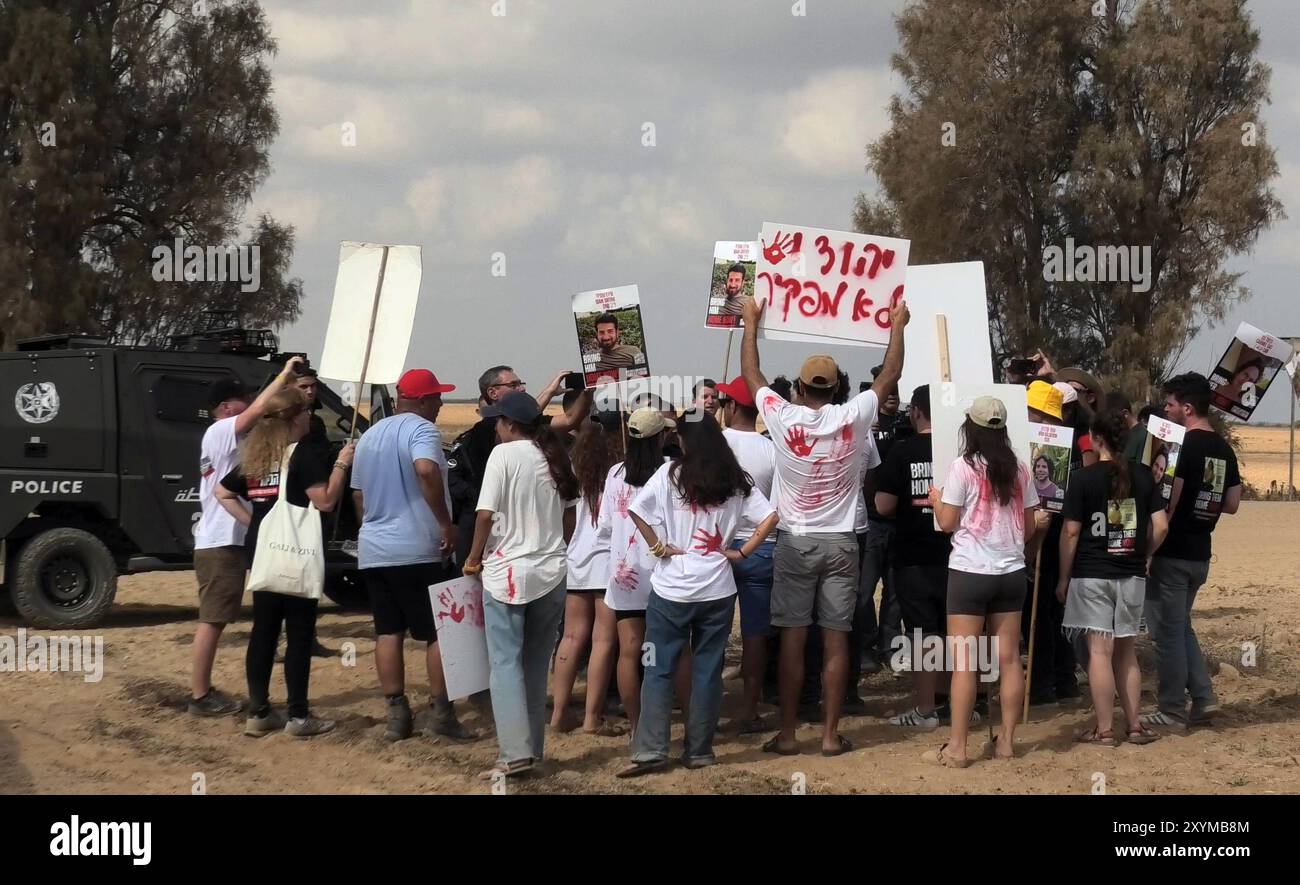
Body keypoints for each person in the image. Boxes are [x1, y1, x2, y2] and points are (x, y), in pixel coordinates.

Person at [740, 293, 908, 757]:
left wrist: (751, 323)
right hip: (842, 542)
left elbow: (751, 376)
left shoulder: (783, 416)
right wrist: (898, 326)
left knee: (794, 638)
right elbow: (890, 375)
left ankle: (790, 733)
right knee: (837, 637)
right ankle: (831, 736)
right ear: (836, 389)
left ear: (798, 386)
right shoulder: (852, 416)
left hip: (795, 541)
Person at [617, 413, 778, 777]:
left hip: (672, 587)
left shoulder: (671, 473)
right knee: (708, 669)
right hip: (718, 587)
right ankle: (700, 750)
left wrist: (658, 547)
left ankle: (652, 751)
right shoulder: (736, 480)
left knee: (657, 667)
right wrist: (741, 552)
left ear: (686, 441)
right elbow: (771, 517)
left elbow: (636, 510)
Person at [215, 389, 354, 737]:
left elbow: (222, 492)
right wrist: (341, 464)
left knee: (263, 631)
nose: (310, 417)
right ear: (294, 418)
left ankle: (259, 711)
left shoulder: (258, 455)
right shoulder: (301, 455)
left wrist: (254, 524)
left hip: (264, 552)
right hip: (296, 553)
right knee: (299, 633)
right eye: (306, 411)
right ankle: (298, 715)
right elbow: (323, 501)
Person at [351, 369, 474, 742]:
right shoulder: (422, 430)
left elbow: (357, 493)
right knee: (437, 633)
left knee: (388, 631)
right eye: (436, 397)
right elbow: (425, 469)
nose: (440, 404)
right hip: (419, 547)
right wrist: (443, 522)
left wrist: (370, 526)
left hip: (376, 548)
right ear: (420, 400)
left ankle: (396, 714)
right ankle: (441, 712)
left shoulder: (370, 434)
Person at [463, 391, 579, 779]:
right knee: (533, 665)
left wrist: (474, 557)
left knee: (505, 664)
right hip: (551, 572)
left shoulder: (504, 455)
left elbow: (484, 515)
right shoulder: (555, 456)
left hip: (507, 572)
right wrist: (556, 547)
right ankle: (532, 751)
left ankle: (513, 753)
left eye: (498, 421)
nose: (495, 427)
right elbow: (570, 516)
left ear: (510, 425)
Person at [925, 396, 1043, 767]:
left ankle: (958, 748)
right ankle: (1006, 742)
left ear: (970, 428)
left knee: (965, 663)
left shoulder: (963, 467)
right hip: (1010, 573)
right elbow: (1028, 527)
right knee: (1009, 660)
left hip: (969, 572)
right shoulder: (1021, 470)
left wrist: (936, 499)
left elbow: (946, 523)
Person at [189, 356, 305, 716]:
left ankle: (202, 691)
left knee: (217, 617)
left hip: (223, 539)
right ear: (224, 407)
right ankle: (200, 696)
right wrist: (284, 376)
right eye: (239, 400)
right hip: (219, 541)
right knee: (213, 619)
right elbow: (257, 411)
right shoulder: (220, 430)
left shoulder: (223, 437)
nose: (247, 404)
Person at [1057, 409, 1168, 746]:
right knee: (1126, 652)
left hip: (1091, 576)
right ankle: (1135, 726)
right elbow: (1161, 525)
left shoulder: (1082, 479)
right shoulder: (1144, 476)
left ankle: (1104, 729)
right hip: (1131, 576)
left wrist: (1063, 578)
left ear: (1097, 439)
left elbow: (1071, 533)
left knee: (1099, 654)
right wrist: (1144, 555)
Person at [1142, 372, 1241, 730]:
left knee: (1166, 634)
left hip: (1171, 553)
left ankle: (1170, 709)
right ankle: (1203, 697)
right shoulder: (1224, 448)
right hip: (1201, 553)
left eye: (1169, 404)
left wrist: (1149, 550)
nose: (1165, 410)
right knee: (1181, 626)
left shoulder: (1182, 446)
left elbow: (1169, 500)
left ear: (1186, 407)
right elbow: (1231, 503)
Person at [448, 365, 591, 566]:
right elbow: (526, 417)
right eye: (513, 385)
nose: (521, 389)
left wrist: (589, 391)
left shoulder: (520, 422)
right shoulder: (487, 427)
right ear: (493, 392)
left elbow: (569, 419)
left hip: (518, 541)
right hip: (483, 533)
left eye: (520, 384)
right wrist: (549, 392)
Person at [875, 385, 955, 727]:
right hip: (955, 555)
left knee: (922, 635)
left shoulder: (902, 451)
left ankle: (925, 709)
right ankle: (956, 701)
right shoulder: (958, 452)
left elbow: (883, 504)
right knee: (956, 632)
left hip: (913, 557)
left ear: (916, 412)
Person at [598, 407, 674, 735]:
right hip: (663, 573)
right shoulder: (671, 472)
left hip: (624, 573)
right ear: (660, 438)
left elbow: (603, 525)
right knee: (664, 652)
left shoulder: (615, 473)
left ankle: (635, 724)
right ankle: (661, 721)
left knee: (628, 652)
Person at [550, 414, 626, 736]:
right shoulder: (620, 471)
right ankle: (592, 717)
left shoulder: (575, 469)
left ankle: (558, 714)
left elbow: (568, 519)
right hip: (607, 560)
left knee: (570, 637)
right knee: (602, 640)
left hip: (577, 557)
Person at [716, 377, 778, 732]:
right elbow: (777, 505)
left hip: (719, 549)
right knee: (756, 634)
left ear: (733, 407)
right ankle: (750, 708)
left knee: (714, 632)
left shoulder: (716, 445)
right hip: (761, 547)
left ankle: (709, 703)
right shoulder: (772, 449)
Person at [1026, 380, 1080, 706]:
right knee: (1050, 613)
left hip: (1052, 539)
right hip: (1048, 537)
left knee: (1044, 614)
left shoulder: (1055, 449)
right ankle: (1063, 681)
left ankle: (1047, 685)